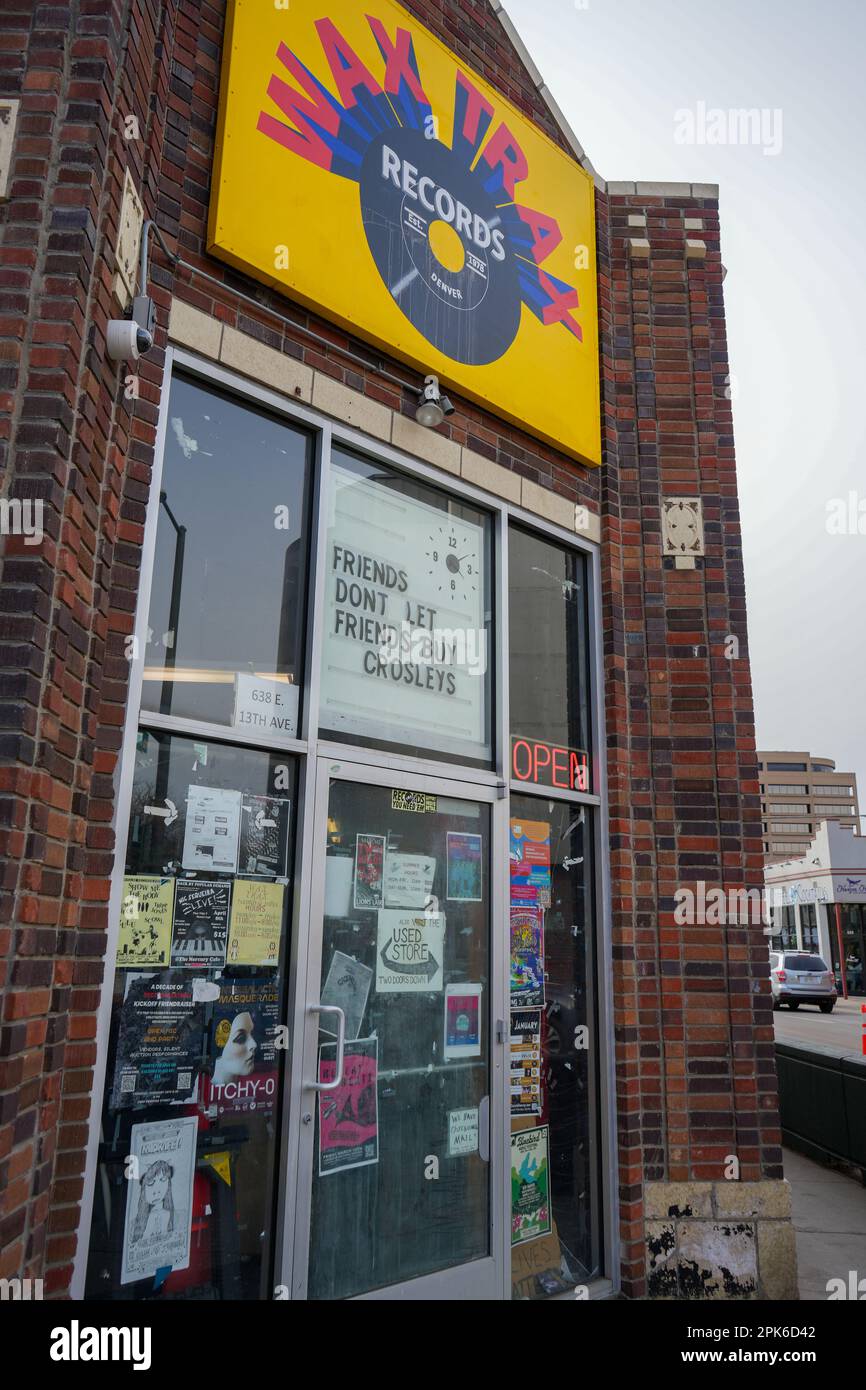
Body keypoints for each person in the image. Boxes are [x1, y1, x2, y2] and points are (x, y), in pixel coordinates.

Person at [131, 1160, 174, 1244]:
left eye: (163, 1180)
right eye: (150, 1183)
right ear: (143, 1189)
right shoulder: (132, 1225)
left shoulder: (176, 1216)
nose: (157, 1191)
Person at [213, 1010, 257, 1084]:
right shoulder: (201, 1089)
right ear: (219, 1043)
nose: (254, 1044)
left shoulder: (254, 1084)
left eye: (252, 1034)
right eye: (241, 1038)